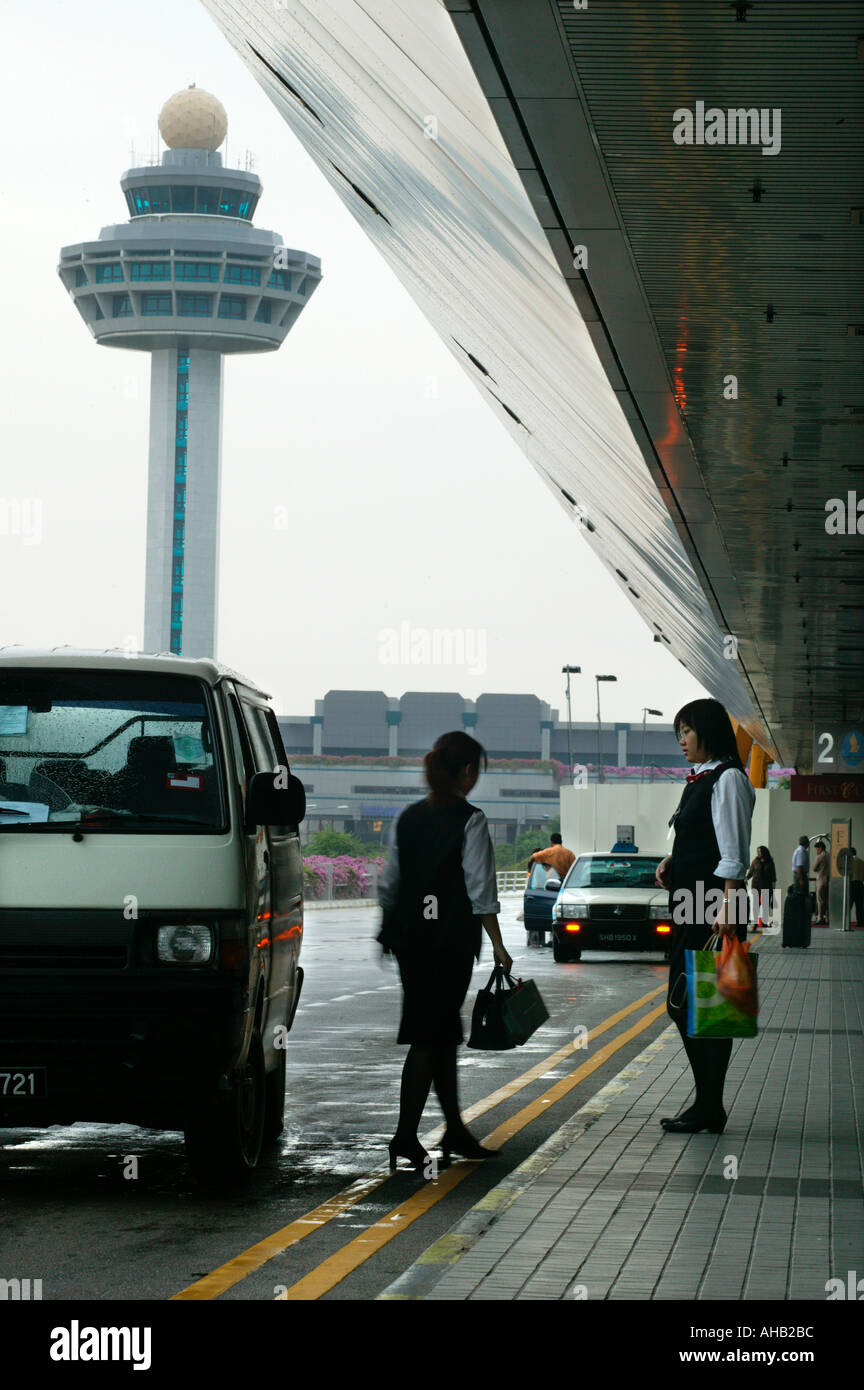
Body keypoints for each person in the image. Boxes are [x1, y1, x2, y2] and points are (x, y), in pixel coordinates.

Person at [377, 731, 512, 1175]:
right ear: (468, 771)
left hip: (410, 941)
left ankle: (453, 1128)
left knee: (439, 1034)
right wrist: (498, 943)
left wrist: (390, 930)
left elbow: (390, 881)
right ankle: (405, 1136)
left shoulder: (409, 816)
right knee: (429, 1036)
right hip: (449, 942)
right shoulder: (470, 819)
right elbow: (480, 889)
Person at [655, 698, 755, 1134]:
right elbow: (702, 842)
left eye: (687, 732)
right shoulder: (701, 779)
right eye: (679, 733)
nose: (682, 741)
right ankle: (707, 1103)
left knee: (705, 1006)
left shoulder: (729, 779)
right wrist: (670, 863)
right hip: (690, 905)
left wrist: (728, 909)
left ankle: (709, 1105)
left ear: (707, 733)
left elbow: (733, 853)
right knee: (692, 1005)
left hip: (711, 908)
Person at [745, 845, 777, 930]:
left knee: (765, 905)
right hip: (756, 886)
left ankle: (763, 922)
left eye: (760, 851)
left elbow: (773, 876)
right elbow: (751, 872)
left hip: (767, 886)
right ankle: (754, 924)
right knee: (756, 905)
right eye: (757, 852)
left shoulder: (770, 862)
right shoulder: (755, 861)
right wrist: (746, 878)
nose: (758, 853)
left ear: (764, 852)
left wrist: (773, 889)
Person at [813, 841, 830, 925]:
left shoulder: (819, 857)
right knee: (827, 900)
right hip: (829, 881)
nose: (816, 851)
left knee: (820, 900)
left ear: (820, 848)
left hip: (821, 881)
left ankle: (820, 918)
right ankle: (828, 918)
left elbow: (814, 868)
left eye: (817, 849)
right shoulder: (830, 856)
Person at [850, 848, 864, 926]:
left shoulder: (849, 862)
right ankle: (861, 922)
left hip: (852, 884)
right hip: (860, 885)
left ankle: (845, 922)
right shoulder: (861, 861)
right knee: (859, 905)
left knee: (848, 905)